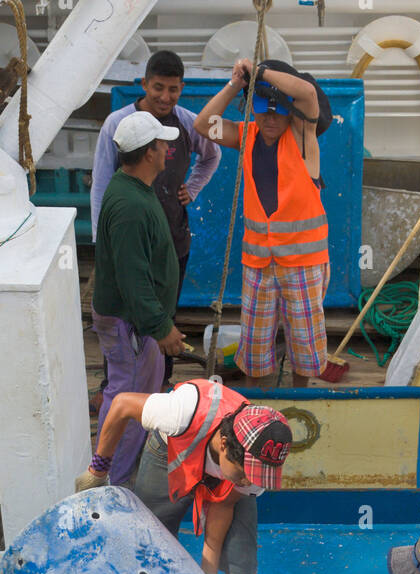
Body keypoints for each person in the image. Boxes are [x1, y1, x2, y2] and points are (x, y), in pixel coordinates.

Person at [79, 377, 292, 574]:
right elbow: (121, 404)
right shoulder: (181, 411)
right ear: (224, 444)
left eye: (257, 476)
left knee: (241, 556)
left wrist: (208, 571)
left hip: (222, 464)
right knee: (150, 540)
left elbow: (225, 503)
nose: (249, 482)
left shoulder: (259, 463)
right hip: (172, 448)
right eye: (245, 474)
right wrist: (97, 470)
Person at [194, 58, 329, 388]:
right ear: (252, 108)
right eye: (262, 110)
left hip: (303, 264)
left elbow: (308, 92)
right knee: (255, 346)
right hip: (258, 265)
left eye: (277, 111)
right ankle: (262, 405)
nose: (270, 118)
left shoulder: (302, 137)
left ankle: (301, 398)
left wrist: (259, 71)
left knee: (304, 346)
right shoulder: (245, 135)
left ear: (289, 113)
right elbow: (203, 125)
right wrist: (237, 83)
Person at [91, 49, 221, 387]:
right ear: (145, 83)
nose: (165, 97)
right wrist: (100, 242)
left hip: (172, 241)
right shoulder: (117, 124)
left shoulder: (187, 123)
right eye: (158, 87)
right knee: (124, 319)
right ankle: (115, 388)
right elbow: (101, 185)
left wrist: (192, 188)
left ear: (181, 89)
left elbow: (212, 155)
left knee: (164, 316)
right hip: (128, 240)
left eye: (173, 89)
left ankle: (162, 383)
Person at [87, 110, 184, 487]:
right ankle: (115, 482)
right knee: (128, 397)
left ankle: (121, 469)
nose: (167, 151)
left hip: (133, 322)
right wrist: (161, 327)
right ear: (149, 154)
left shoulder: (130, 188)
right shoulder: (131, 206)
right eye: (162, 145)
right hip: (130, 323)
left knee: (138, 391)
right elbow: (133, 277)